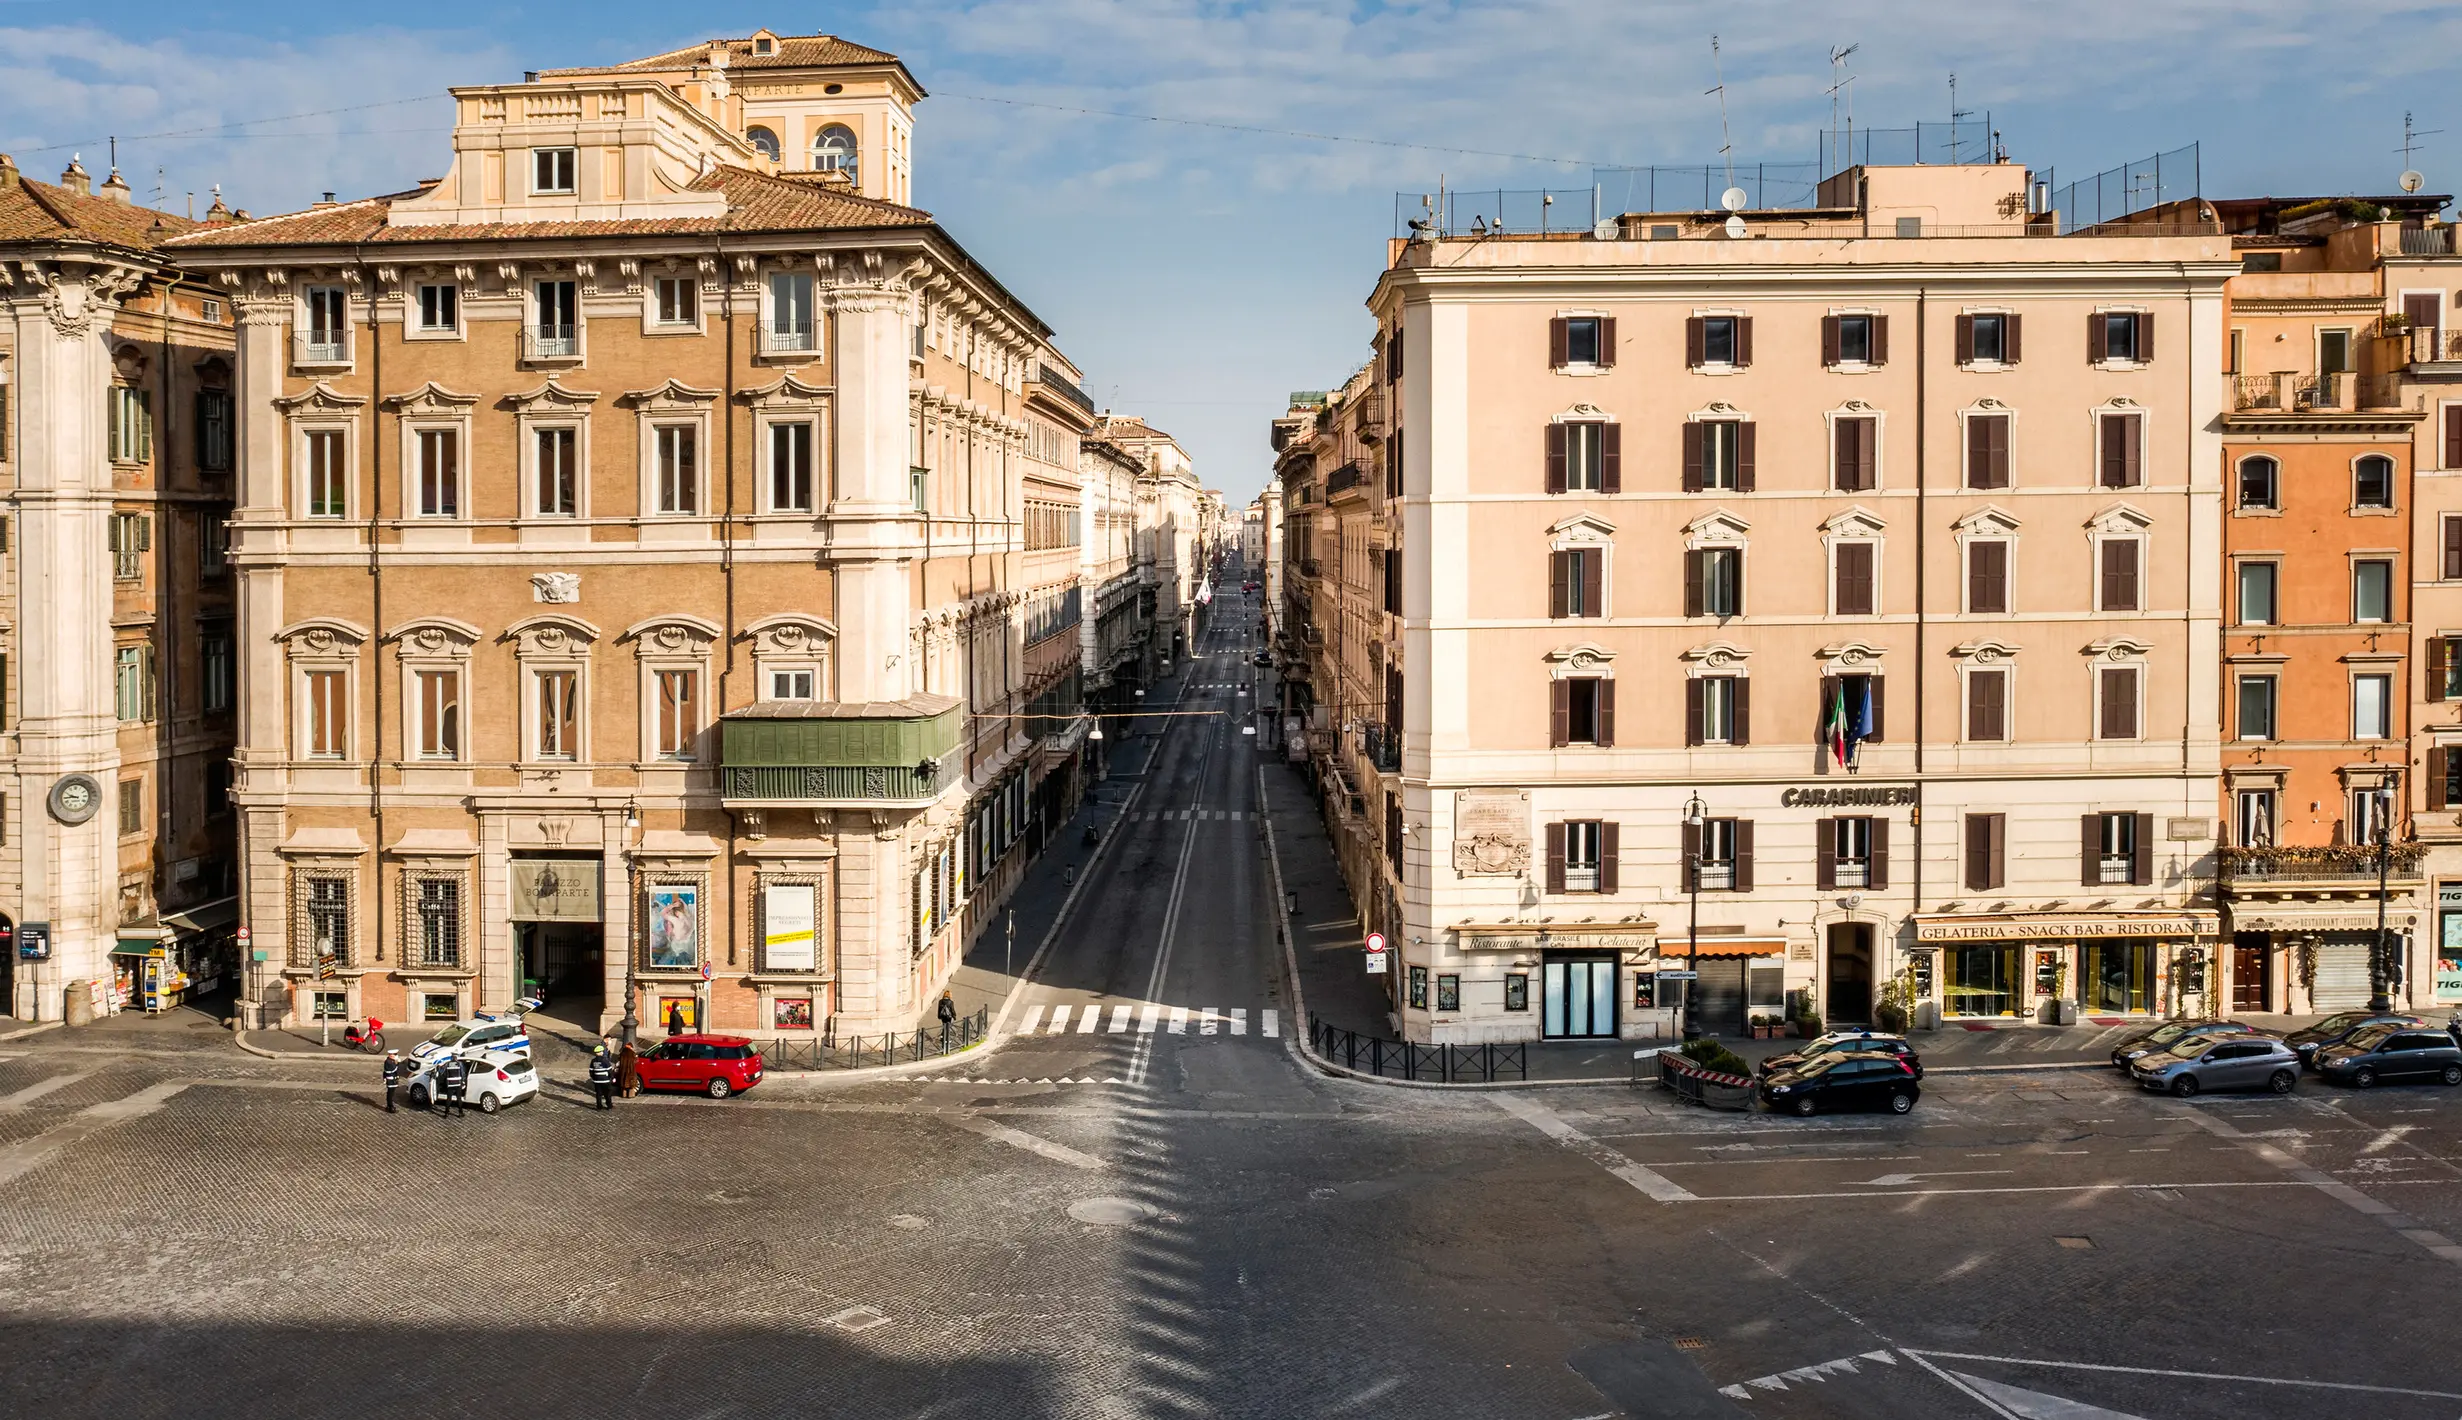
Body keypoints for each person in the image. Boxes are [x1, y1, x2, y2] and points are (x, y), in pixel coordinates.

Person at [437, 1053, 468, 1119]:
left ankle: (446, 1113)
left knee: (449, 1099)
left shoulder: (447, 1064)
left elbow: (441, 1072)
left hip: (450, 1084)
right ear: (456, 1058)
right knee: (459, 1099)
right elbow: (463, 1074)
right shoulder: (460, 1064)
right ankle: (460, 1112)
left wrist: (438, 1067)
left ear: (451, 1058)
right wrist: (463, 1082)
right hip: (458, 1084)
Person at [588, 1045, 616, 1110]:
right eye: (602, 1051)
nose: (603, 1052)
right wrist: (611, 1078)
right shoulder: (605, 1060)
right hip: (605, 1080)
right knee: (607, 1094)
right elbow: (610, 1070)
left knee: (598, 1094)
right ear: (600, 1052)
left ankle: (599, 1107)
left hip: (597, 1081)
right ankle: (609, 1106)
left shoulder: (593, 1061)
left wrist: (594, 1078)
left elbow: (591, 1071)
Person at [381, 1049, 403, 1113]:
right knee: (390, 1094)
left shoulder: (392, 1061)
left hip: (394, 1079)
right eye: (395, 1054)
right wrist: (398, 1064)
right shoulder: (388, 1062)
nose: (396, 1055)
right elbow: (390, 1071)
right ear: (390, 1055)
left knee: (391, 1093)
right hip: (391, 1080)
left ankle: (389, 1106)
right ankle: (390, 1107)